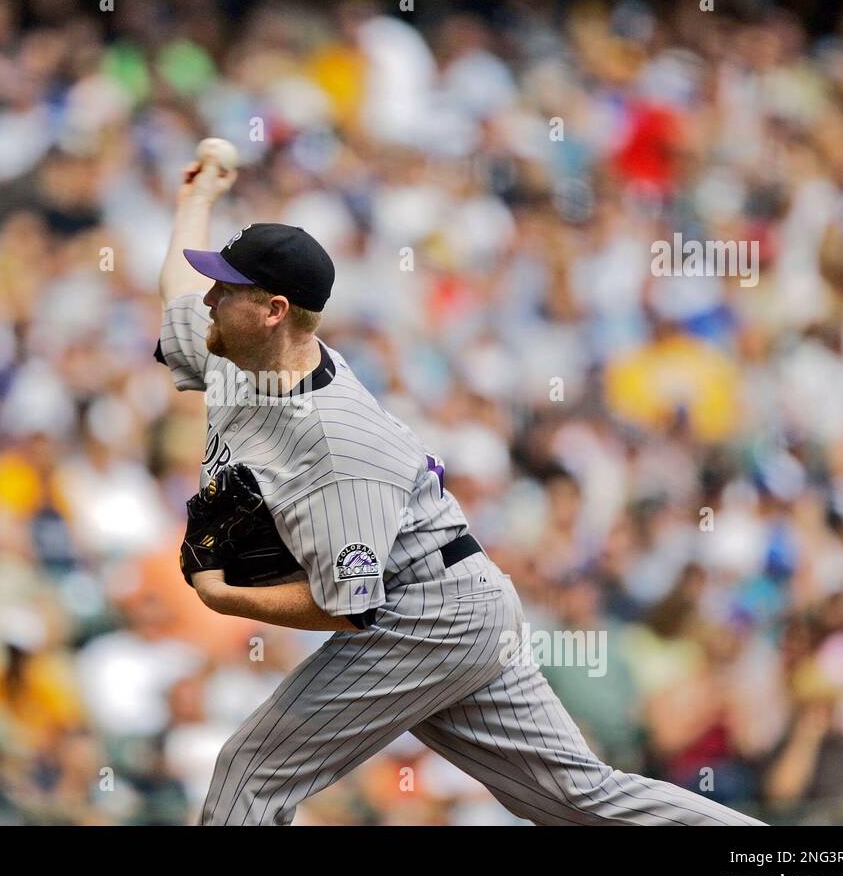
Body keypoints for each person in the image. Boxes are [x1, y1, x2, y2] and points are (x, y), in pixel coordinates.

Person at [154, 155, 765, 826]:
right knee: (573, 799)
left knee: (251, 771)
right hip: (461, 603)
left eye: (227, 289)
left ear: (273, 312)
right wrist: (199, 197)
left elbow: (349, 607)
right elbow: (179, 296)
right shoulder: (237, 350)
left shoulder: (339, 443)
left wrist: (224, 594)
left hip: (424, 610)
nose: (209, 300)